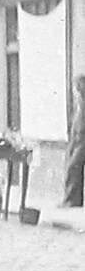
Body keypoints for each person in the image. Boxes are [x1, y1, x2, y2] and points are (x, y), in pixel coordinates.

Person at [62, 76, 85, 208]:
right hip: (75, 139)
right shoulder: (78, 105)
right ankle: (71, 199)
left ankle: (72, 200)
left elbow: (81, 125)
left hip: (82, 139)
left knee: (73, 167)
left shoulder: (83, 105)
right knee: (70, 166)